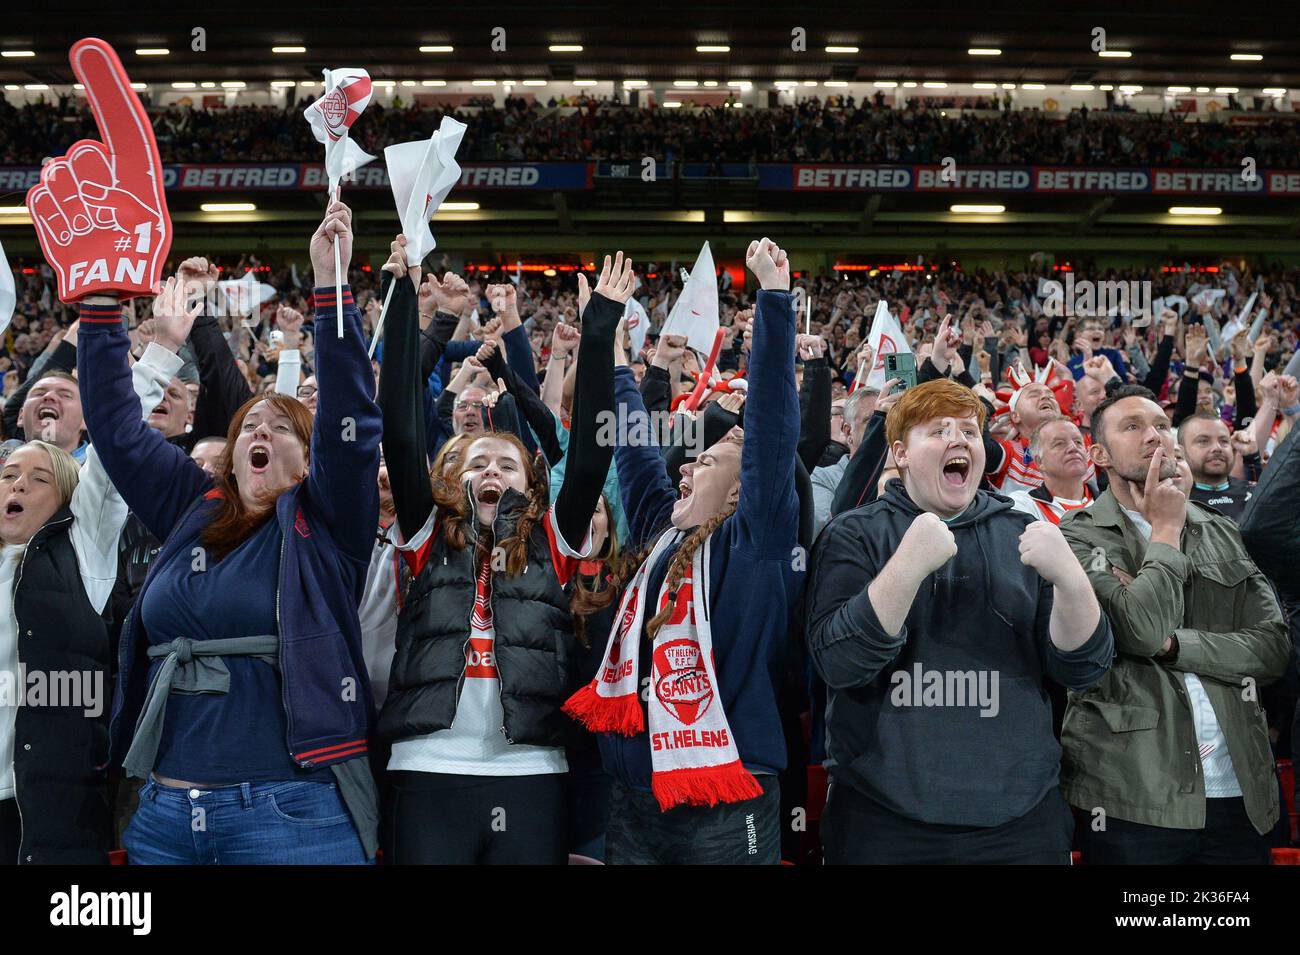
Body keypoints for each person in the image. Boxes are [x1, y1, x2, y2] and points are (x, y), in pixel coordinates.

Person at [78, 201, 383, 864]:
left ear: (310, 458)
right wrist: (102, 304)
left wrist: (331, 289)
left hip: (292, 812)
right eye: (249, 424)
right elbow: (116, 429)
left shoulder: (327, 523)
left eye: (281, 426)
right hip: (163, 817)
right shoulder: (194, 506)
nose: (260, 433)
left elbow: (354, 424)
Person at [377, 246, 627, 865]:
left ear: (530, 483)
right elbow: (402, 432)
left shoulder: (552, 536)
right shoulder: (426, 530)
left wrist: (599, 329)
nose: (492, 470)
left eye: (507, 464)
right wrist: (409, 304)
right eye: (477, 461)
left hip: (533, 773)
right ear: (452, 474)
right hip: (427, 770)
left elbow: (593, 453)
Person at [806, 377, 1113, 864]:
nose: (959, 440)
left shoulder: (1024, 533)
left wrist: (1075, 584)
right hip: (883, 822)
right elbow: (841, 663)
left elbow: (1082, 668)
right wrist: (906, 566)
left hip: (1021, 823)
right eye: (938, 430)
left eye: (970, 432)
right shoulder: (853, 534)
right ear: (901, 453)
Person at [564, 238, 802, 865]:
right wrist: (613, 354)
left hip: (729, 794)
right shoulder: (657, 537)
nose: (691, 462)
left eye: (711, 457)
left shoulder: (756, 543)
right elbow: (636, 448)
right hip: (636, 795)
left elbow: (774, 433)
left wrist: (774, 301)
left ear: (742, 489)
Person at [1059, 385, 1290, 864]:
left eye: (1162, 426)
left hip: (1239, 793)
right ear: (1098, 454)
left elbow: (1272, 649)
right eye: (1133, 427)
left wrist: (1174, 646)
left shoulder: (1220, 528)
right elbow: (1140, 630)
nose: (1154, 437)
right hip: (1134, 798)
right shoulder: (1076, 536)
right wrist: (1166, 529)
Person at [1006, 415, 1093, 525]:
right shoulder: (1023, 506)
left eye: (1078, 442)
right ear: (1039, 462)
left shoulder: (1111, 500)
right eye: (1059, 444)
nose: (1073, 448)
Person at [1178, 412, 1253, 522]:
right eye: (1203, 441)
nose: (1217, 448)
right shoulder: (1175, 501)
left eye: (1224, 441)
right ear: (1181, 451)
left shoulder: (1253, 492)